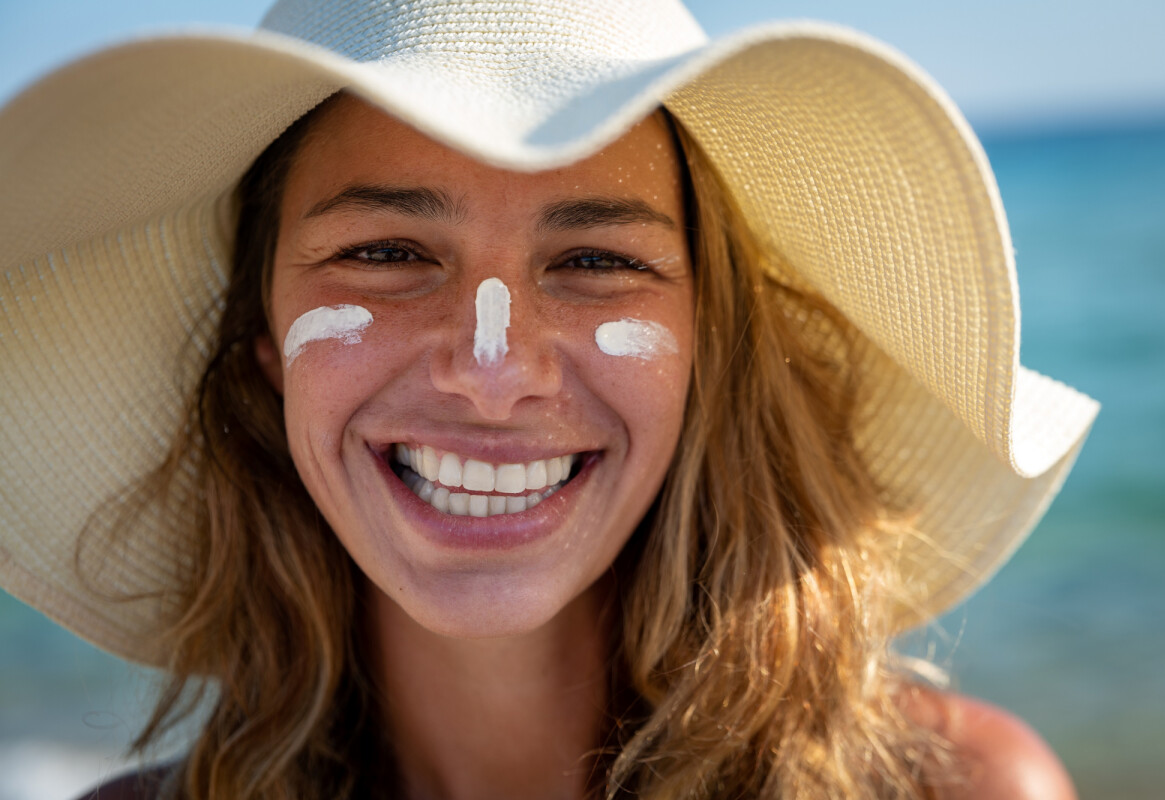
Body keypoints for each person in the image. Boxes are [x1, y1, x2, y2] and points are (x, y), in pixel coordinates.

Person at [0, 1, 1099, 798]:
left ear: (702, 354)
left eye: (594, 261)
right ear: (267, 354)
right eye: (385, 250)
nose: (490, 368)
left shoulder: (961, 788)